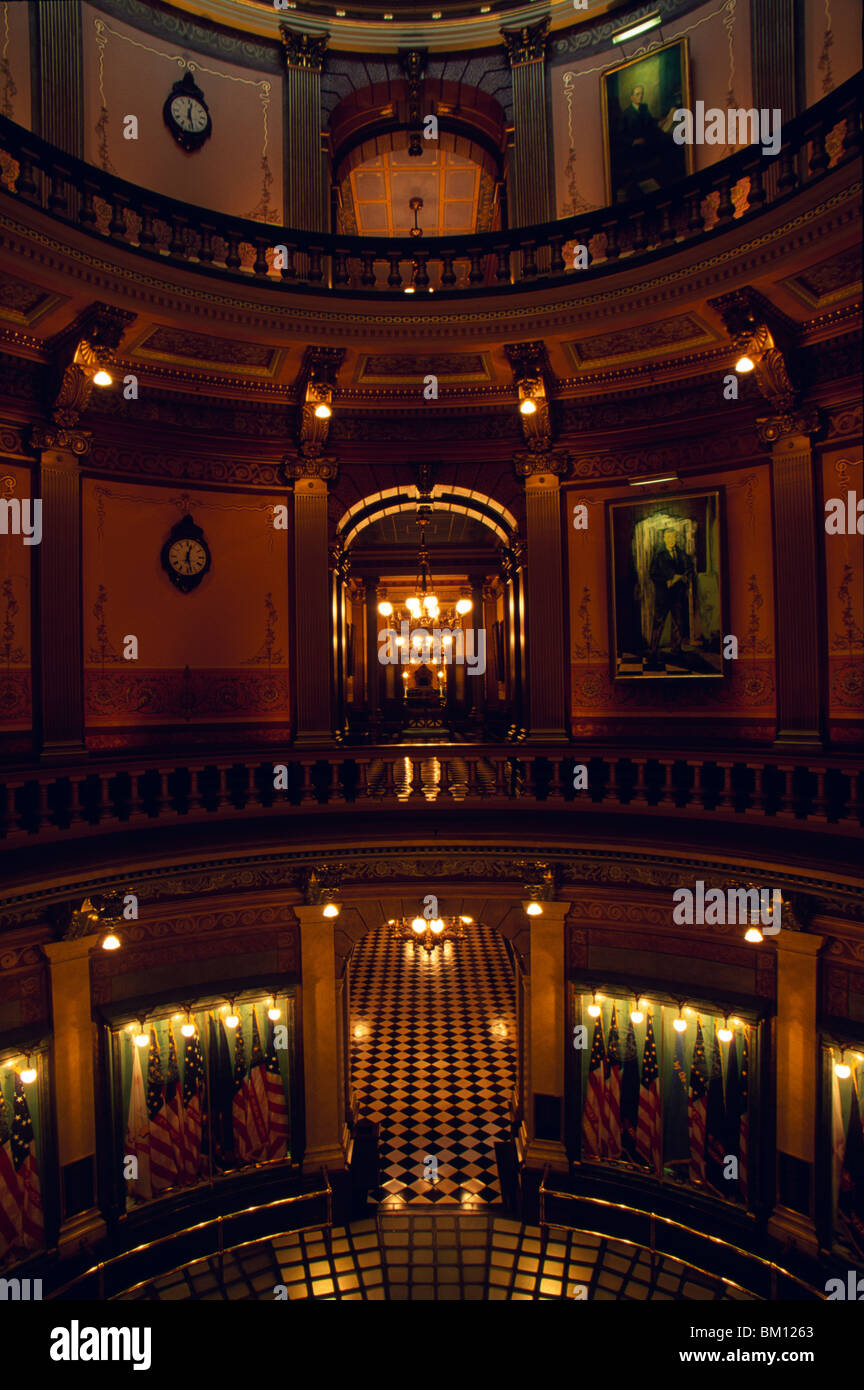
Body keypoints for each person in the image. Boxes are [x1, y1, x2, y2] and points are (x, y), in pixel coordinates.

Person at [647, 527, 694, 666]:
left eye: (673, 537)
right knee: (658, 623)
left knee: (678, 623)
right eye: (668, 537)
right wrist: (666, 581)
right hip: (663, 595)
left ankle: (676, 650)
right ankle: (653, 651)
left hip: (677, 595)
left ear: (676, 538)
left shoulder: (682, 554)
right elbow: (653, 574)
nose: (671, 540)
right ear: (664, 539)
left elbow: (689, 570)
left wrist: (683, 579)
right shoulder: (659, 555)